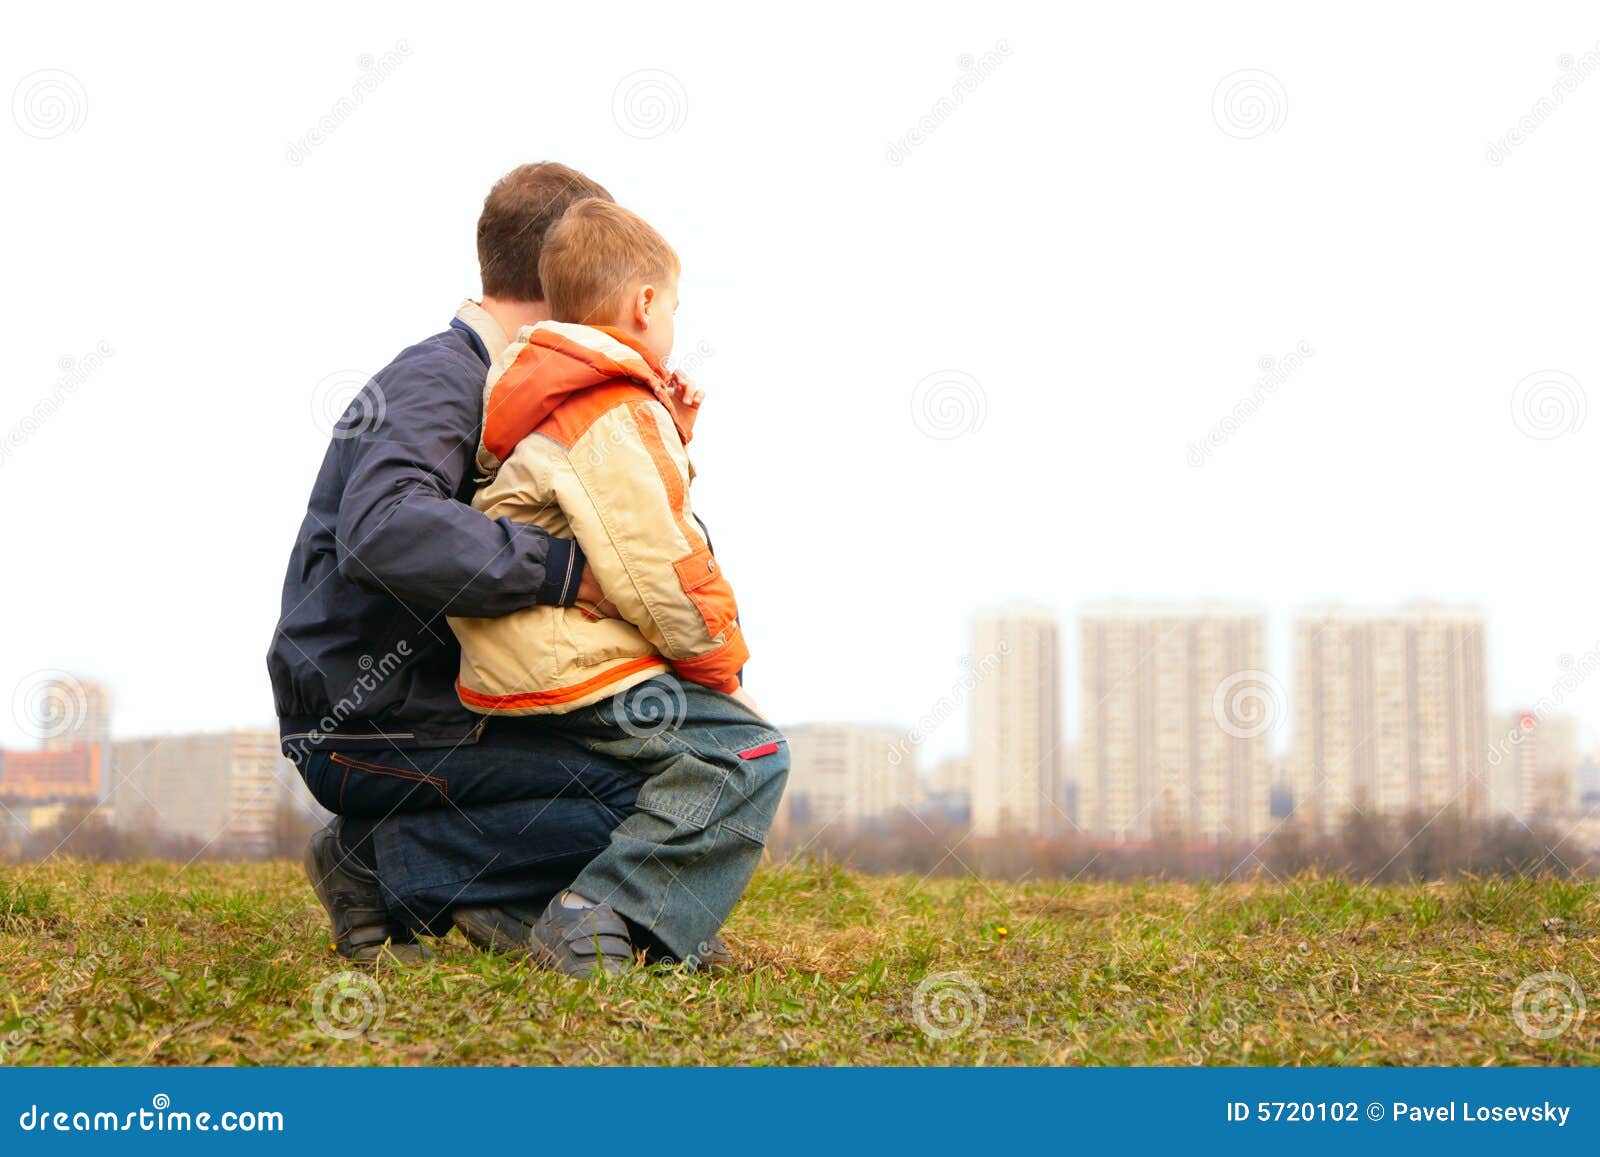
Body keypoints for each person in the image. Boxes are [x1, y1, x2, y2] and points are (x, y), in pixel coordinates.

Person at [267, 163, 653, 962]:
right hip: (372, 724)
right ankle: (375, 862)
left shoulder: (512, 390)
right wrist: (566, 570)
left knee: (673, 759)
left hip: (435, 710)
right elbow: (385, 527)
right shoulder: (443, 381)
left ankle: (521, 904)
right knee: (651, 791)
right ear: (561, 271)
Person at [445, 197, 789, 976]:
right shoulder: (609, 409)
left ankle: (605, 916)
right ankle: (602, 913)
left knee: (650, 768)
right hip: (567, 655)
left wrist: (670, 428)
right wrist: (722, 669)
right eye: (673, 307)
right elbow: (658, 566)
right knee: (748, 751)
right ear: (643, 304)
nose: (672, 323)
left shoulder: (557, 394)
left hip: (516, 661)